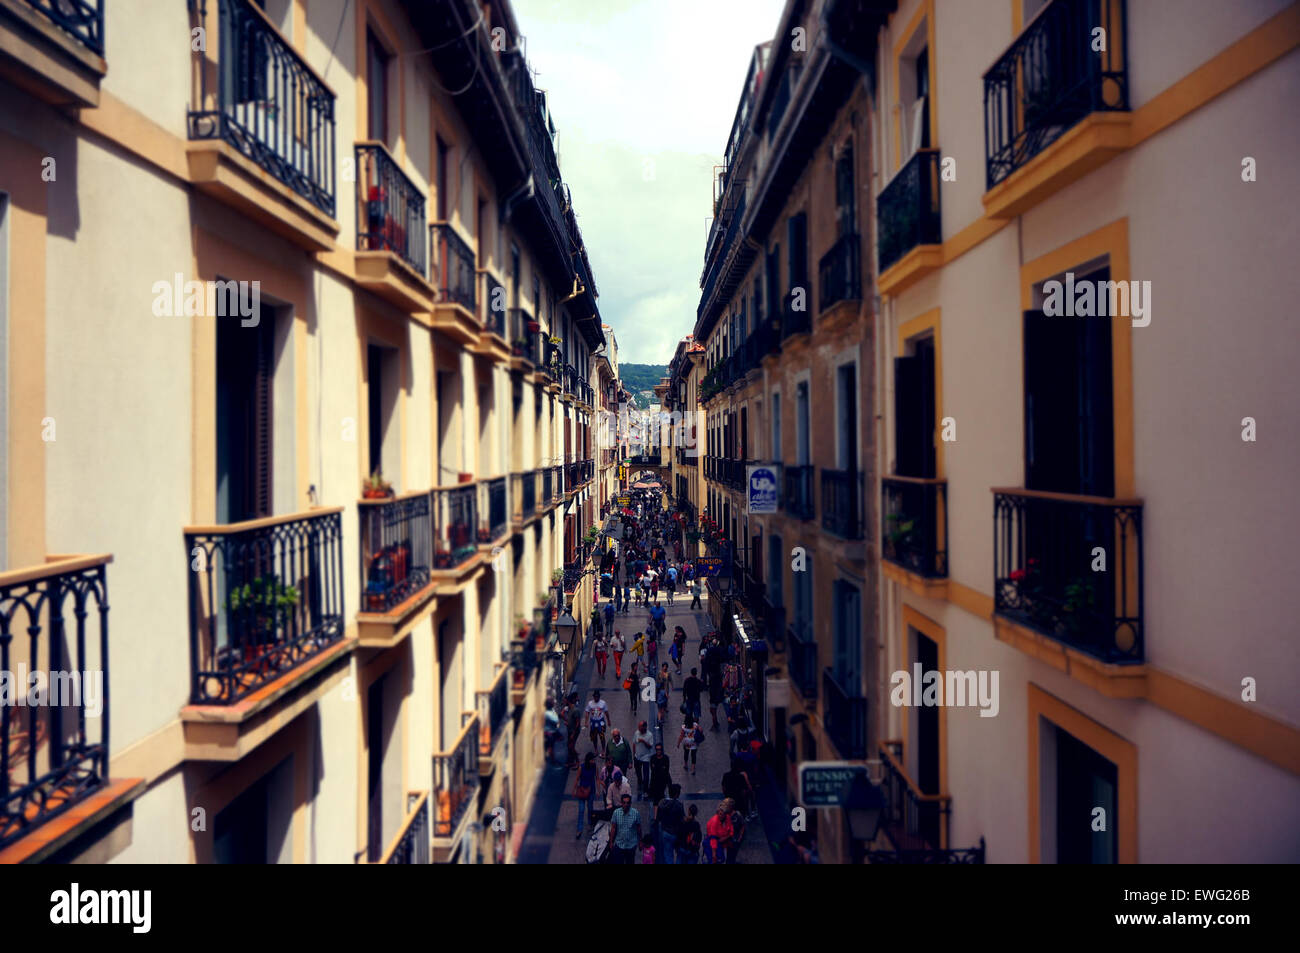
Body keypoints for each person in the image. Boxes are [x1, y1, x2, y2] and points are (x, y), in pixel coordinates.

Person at [655, 783, 685, 865]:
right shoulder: (679, 805)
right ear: (676, 794)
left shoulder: (662, 803)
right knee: (679, 853)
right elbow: (682, 820)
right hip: (676, 833)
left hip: (665, 832)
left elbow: (658, 818)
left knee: (668, 854)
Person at [608, 794, 640, 864]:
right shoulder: (616, 813)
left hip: (631, 845)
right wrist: (611, 842)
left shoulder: (636, 813)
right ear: (621, 803)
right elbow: (613, 828)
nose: (626, 804)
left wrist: (640, 841)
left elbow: (639, 828)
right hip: (619, 844)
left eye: (628, 803)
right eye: (624, 802)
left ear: (630, 803)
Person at [574, 753, 597, 838]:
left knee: (590, 808)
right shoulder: (581, 767)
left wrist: (598, 789)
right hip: (582, 791)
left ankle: (590, 824)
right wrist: (574, 789)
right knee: (581, 809)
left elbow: (597, 777)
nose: (593, 761)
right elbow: (577, 778)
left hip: (591, 791)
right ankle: (579, 829)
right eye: (592, 760)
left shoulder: (594, 766)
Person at [633, 720, 654, 799]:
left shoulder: (650, 735)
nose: (639, 729)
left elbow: (650, 746)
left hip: (646, 757)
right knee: (638, 772)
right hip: (637, 756)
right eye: (638, 727)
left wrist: (643, 741)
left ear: (645, 727)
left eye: (640, 727)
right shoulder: (636, 733)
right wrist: (634, 754)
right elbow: (634, 743)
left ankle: (645, 790)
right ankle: (640, 781)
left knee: (646, 774)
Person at [585, 690, 609, 756]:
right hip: (593, 723)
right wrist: (586, 722)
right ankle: (596, 749)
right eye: (595, 697)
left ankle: (603, 750)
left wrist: (608, 720)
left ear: (599, 696)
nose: (596, 698)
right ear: (593, 697)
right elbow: (587, 712)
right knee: (594, 737)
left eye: (597, 696)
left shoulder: (603, 703)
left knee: (602, 736)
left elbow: (606, 712)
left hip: (601, 722)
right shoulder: (590, 703)